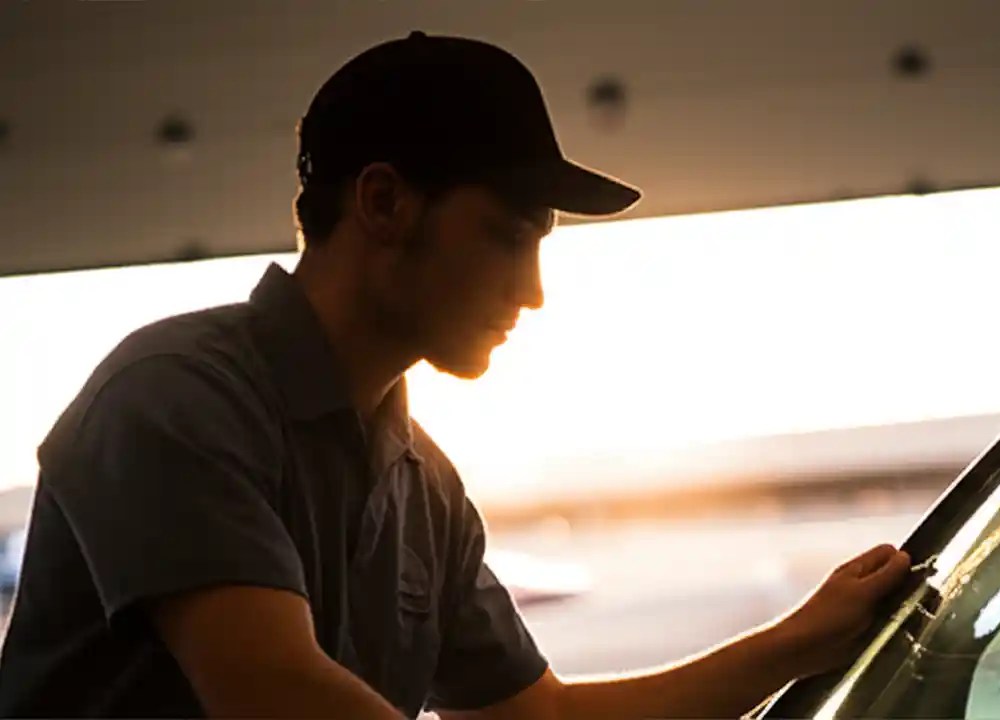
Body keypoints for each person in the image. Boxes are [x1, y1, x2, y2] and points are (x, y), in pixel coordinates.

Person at [0, 32, 911, 719]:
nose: (535, 292)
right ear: (386, 203)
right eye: (509, 237)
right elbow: (275, 698)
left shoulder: (422, 486)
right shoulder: (172, 398)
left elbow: (539, 718)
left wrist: (803, 639)